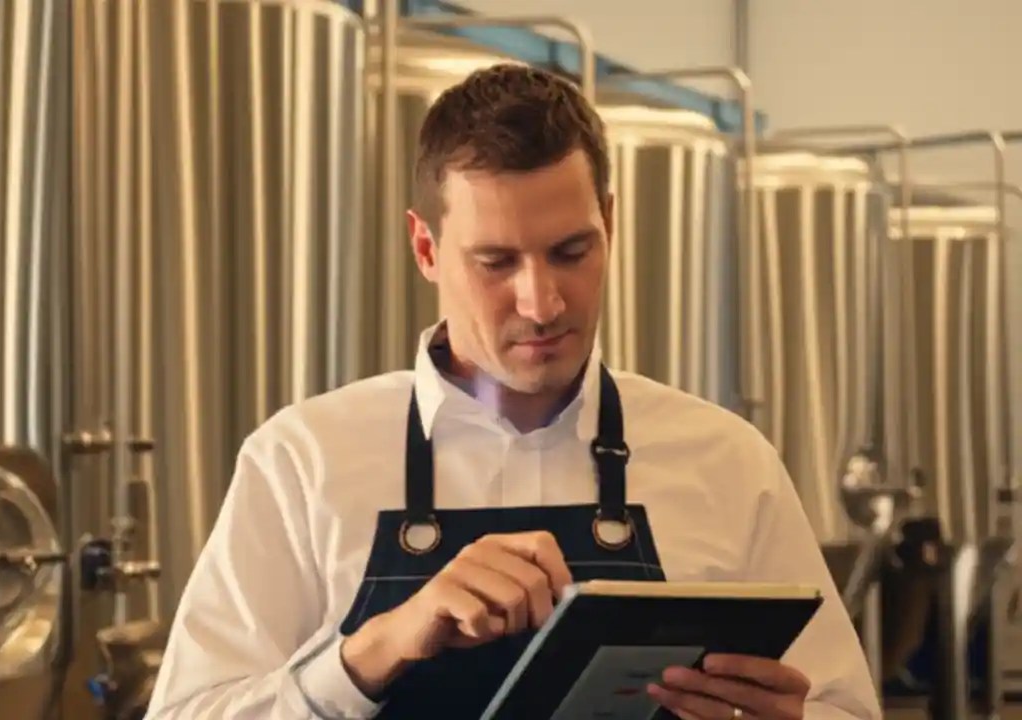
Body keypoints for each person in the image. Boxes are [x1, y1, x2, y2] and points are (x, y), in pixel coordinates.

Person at [145, 64, 882, 720]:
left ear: (612, 225)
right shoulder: (303, 462)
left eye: (571, 252)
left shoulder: (726, 462)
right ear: (425, 249)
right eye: (496, 261)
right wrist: (370, 654)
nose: (542, 303)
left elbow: (842, 704)